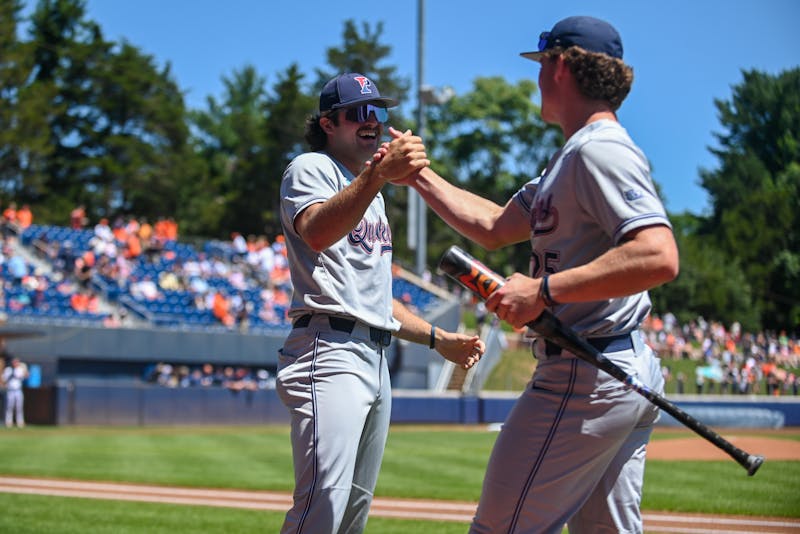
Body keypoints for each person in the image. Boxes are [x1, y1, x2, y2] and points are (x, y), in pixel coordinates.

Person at [390, 16, 680, 533]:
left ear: (562, 67)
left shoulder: (598, 149)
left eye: (542, 64)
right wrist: (418, 177)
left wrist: (542, 290)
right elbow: (495, 226)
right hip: (614, 365)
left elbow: (658, 255)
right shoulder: (569, 157)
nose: (537, 77)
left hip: (584, 372)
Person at [277, 72, 485, 534]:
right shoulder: (311, 167)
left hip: (374, 356)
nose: (371, 122)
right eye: (358, 114)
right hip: (328, 348)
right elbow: (316, 231)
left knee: (354, 512)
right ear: (329, 124)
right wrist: (377, 174)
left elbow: (378, 298)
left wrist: (438, 338)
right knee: (322, 507)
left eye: (379, 112)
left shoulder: (369, 194)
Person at [3, 357, 29, 428]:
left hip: (18, 390)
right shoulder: (8, 370)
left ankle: (20, 423)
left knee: (19, 407)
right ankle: (8, 422)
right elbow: (3, 379)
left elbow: (27, 376)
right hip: (10, 391)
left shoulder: (20, 370)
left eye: (16, 362)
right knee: (9, 407)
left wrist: (25, 368)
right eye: (14, 362)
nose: (15, 363)